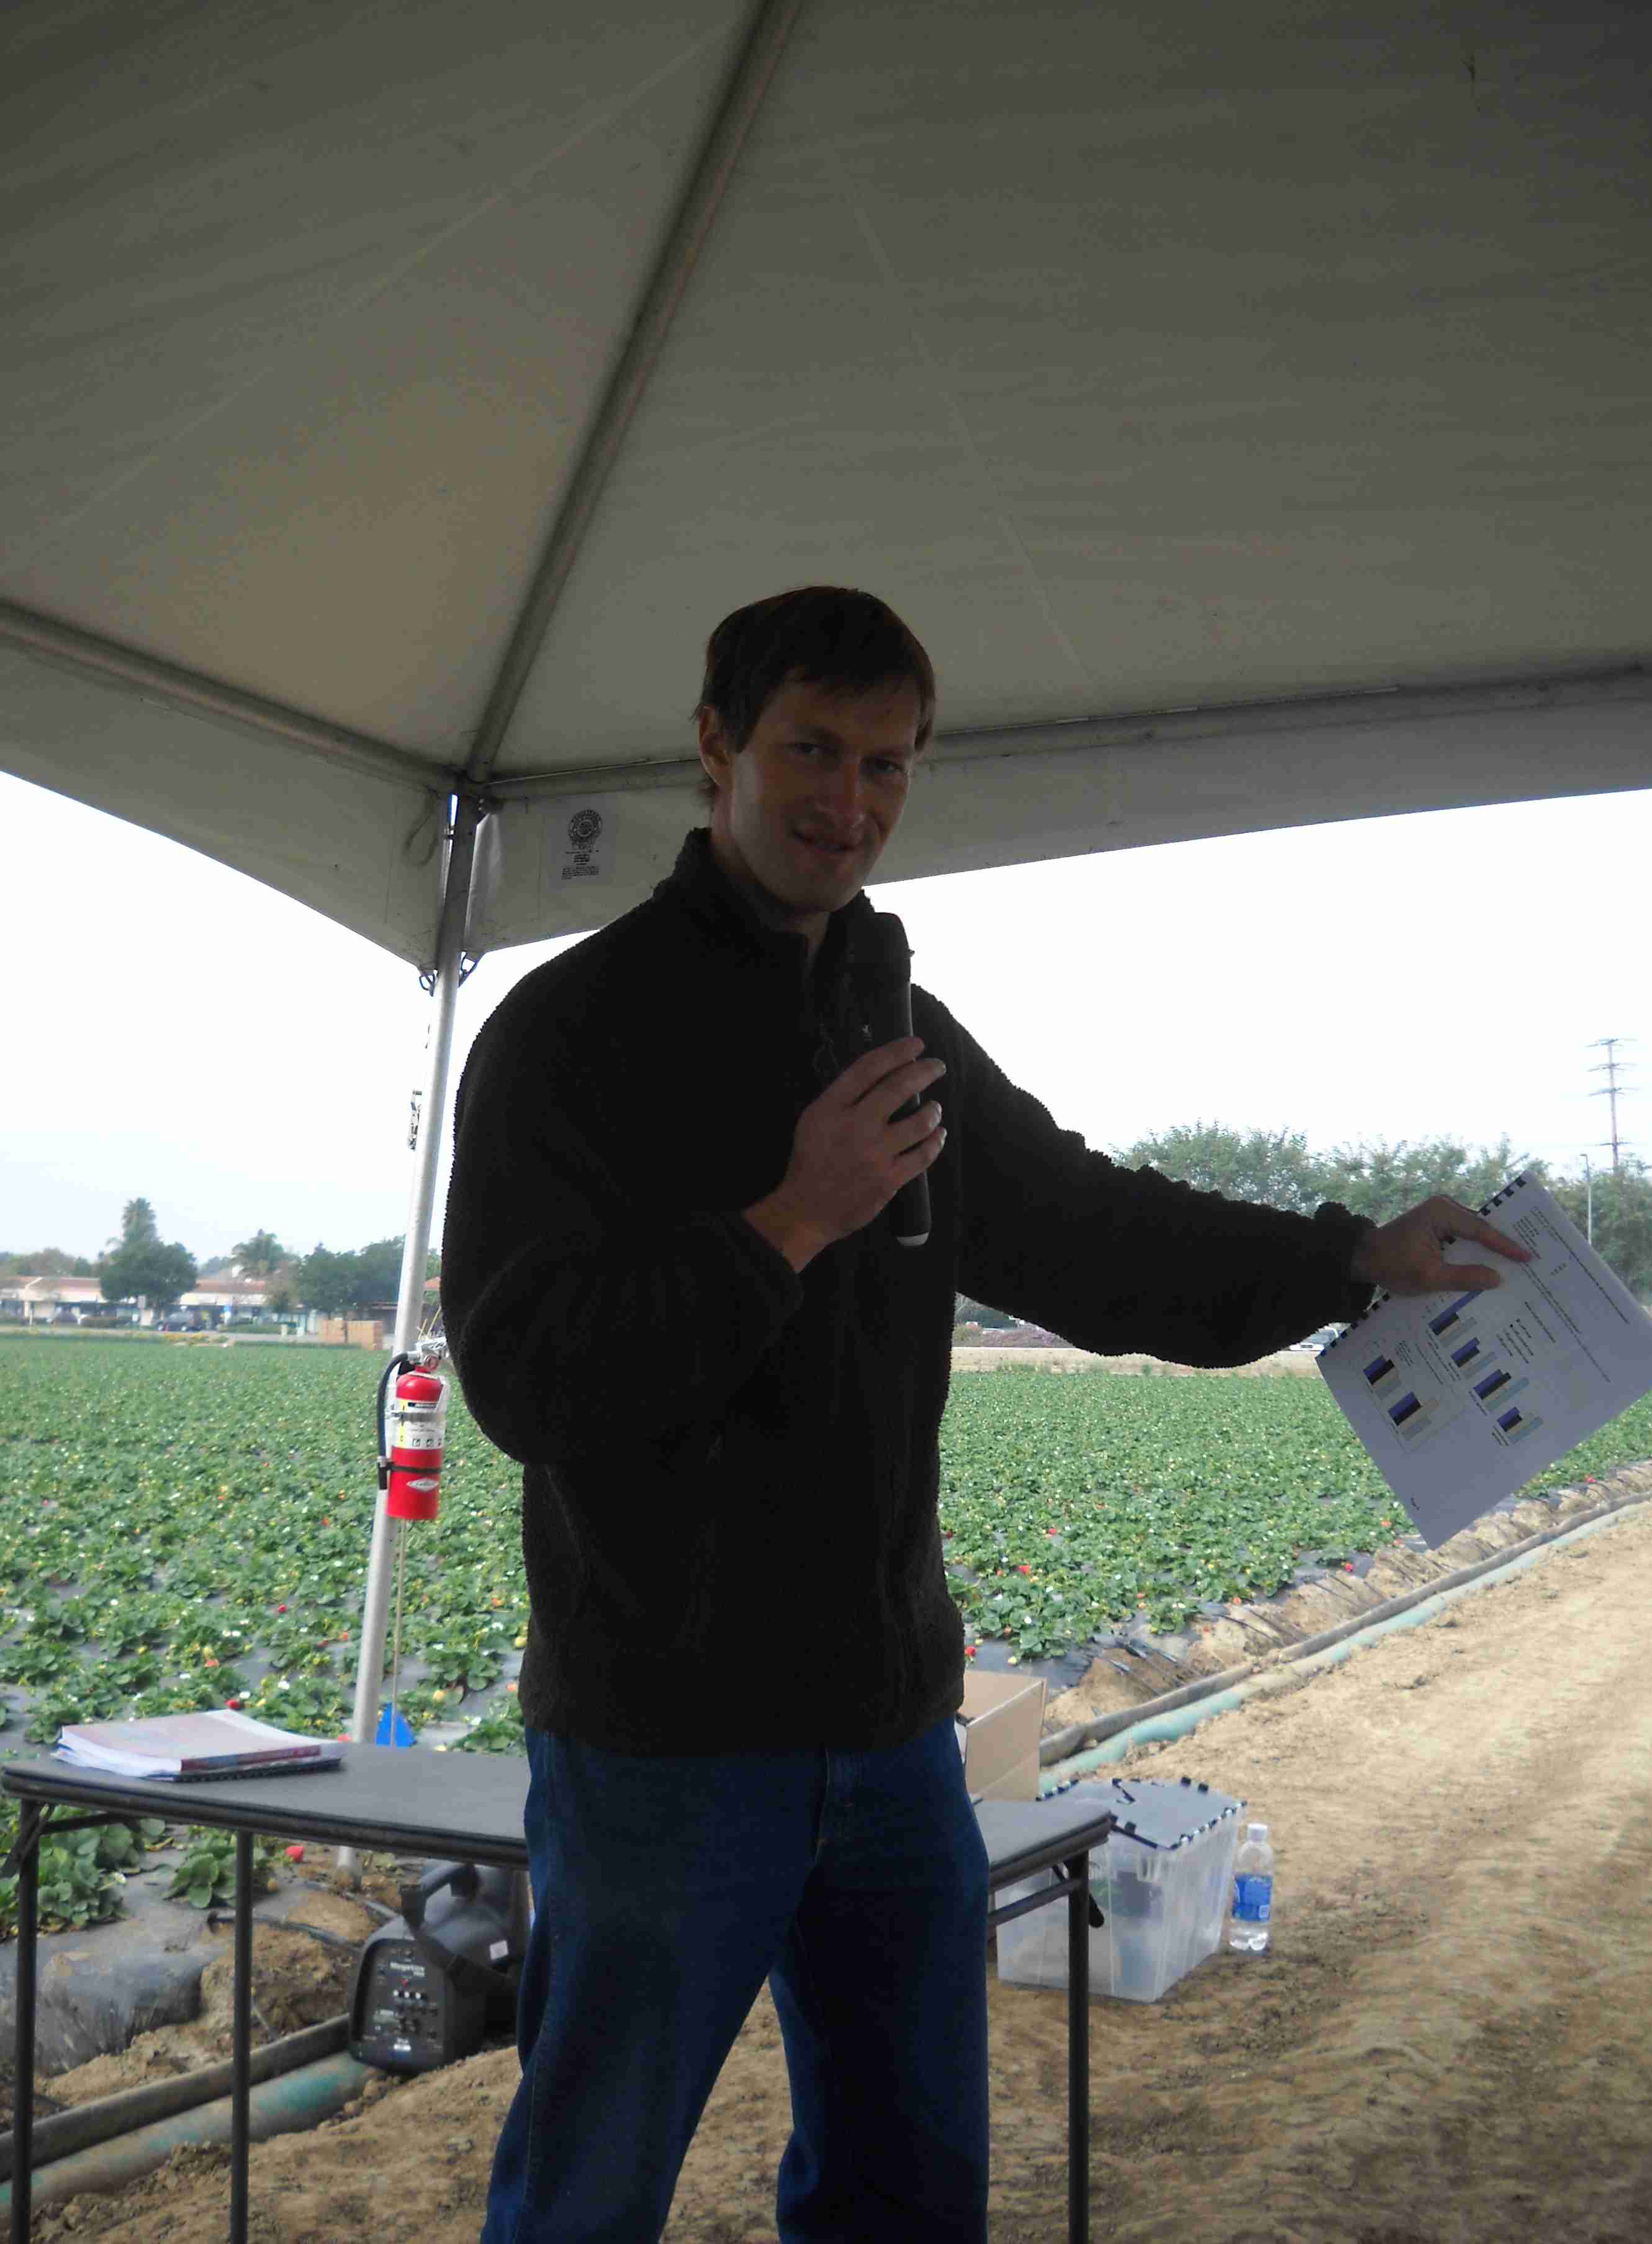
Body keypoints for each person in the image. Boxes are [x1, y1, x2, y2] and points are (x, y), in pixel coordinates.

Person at [440, 585, 1530, 2243]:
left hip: (887, 1734)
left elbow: (1093, 1236)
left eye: (886, 766)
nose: (849, 803)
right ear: (718, 746)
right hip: (662, 1743)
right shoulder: (572, 1036)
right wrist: (786, 1224)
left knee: (913, 2183)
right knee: (589, 2187)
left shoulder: (901, 1031)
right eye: (813, 750)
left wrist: (1349, 1254)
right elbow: (529, 1376)